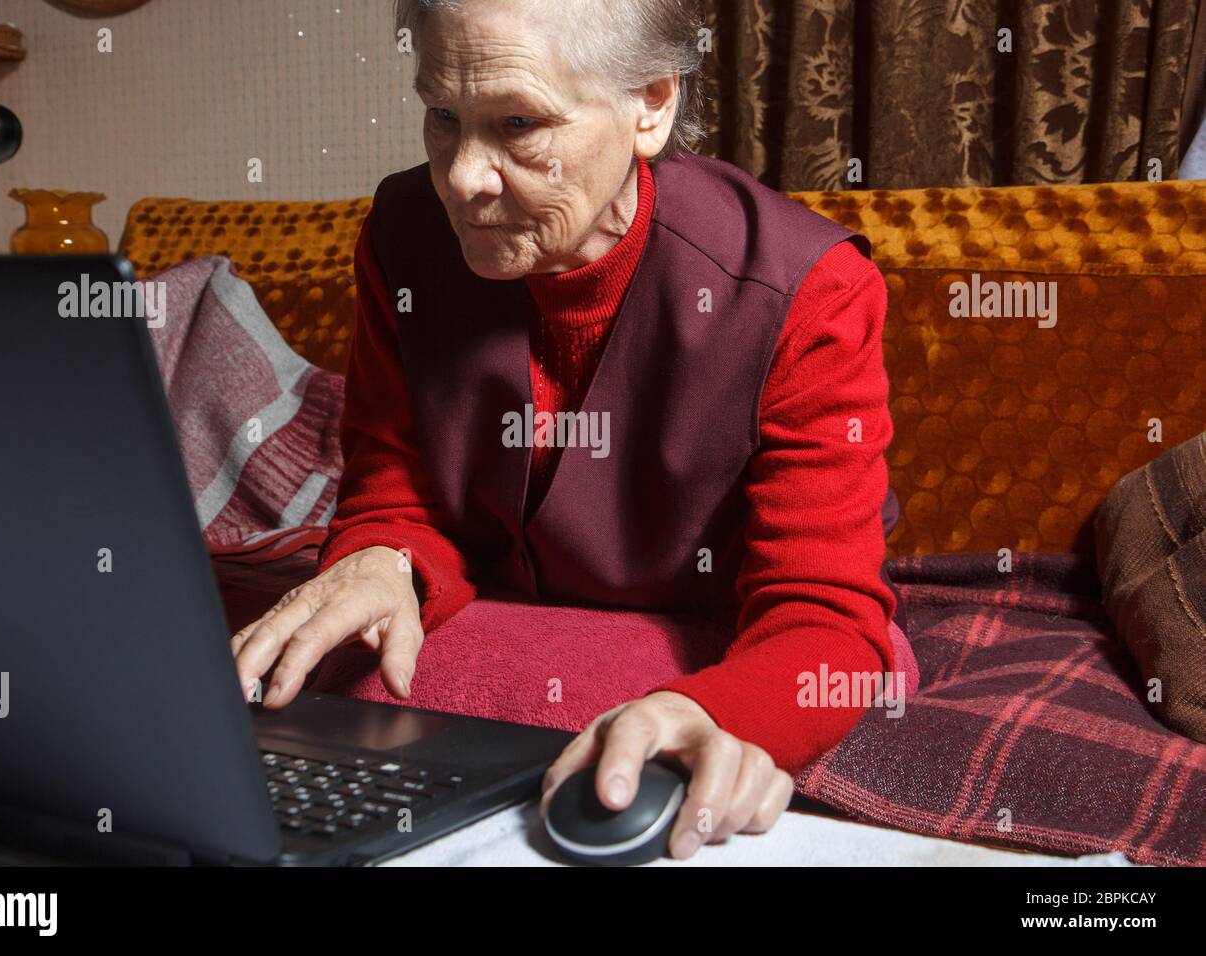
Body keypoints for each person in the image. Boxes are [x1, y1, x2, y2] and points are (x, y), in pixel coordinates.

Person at [232, 0, 906, 860]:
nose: (463, 178)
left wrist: (710, 717)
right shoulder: (402, 236)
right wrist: (379, 556)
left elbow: (820, 616)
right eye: (443, 116)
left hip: (706, 620)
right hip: (500, 604)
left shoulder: (810, 289)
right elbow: (391, 484)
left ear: (651, 105)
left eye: (519, 125)